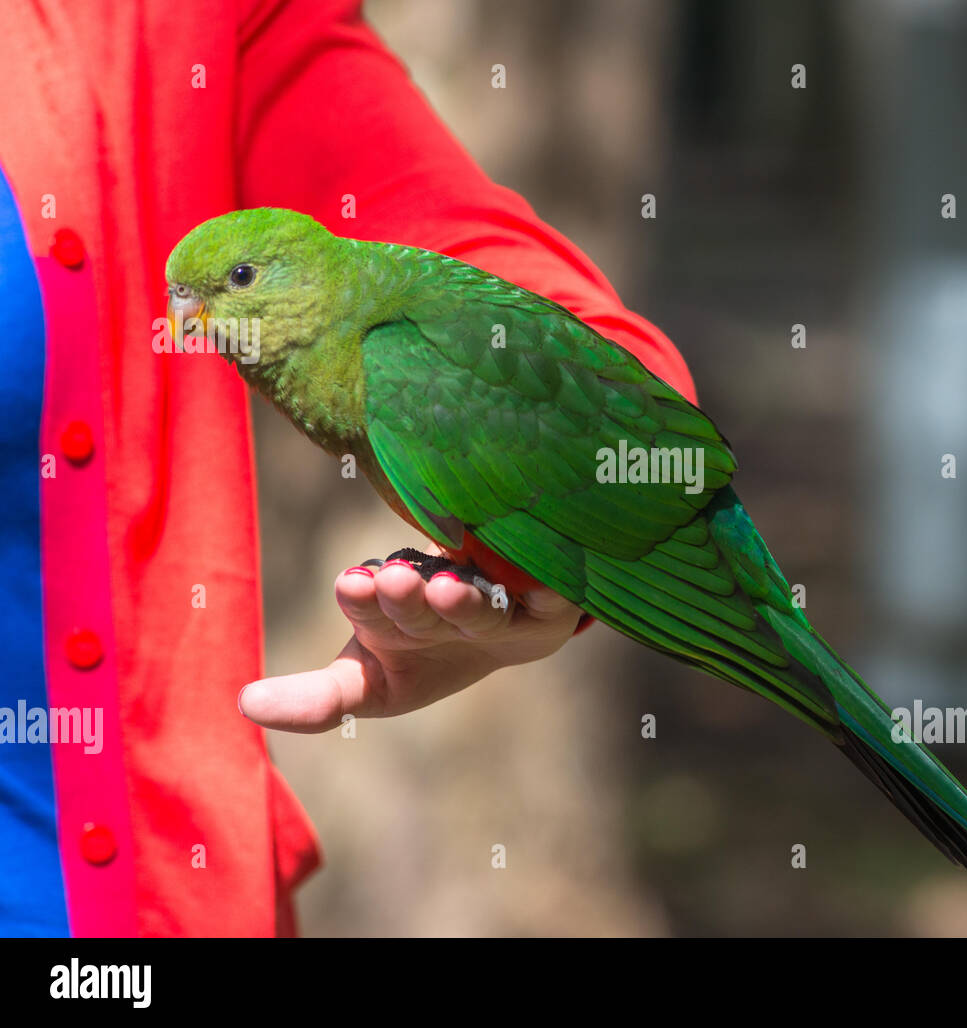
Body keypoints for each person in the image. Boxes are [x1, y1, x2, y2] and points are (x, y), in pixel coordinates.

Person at [0, 0, 694, 936]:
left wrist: (600, 469)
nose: (193, 321)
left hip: (129, 908)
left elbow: (449, 236)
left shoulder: (174, 20)